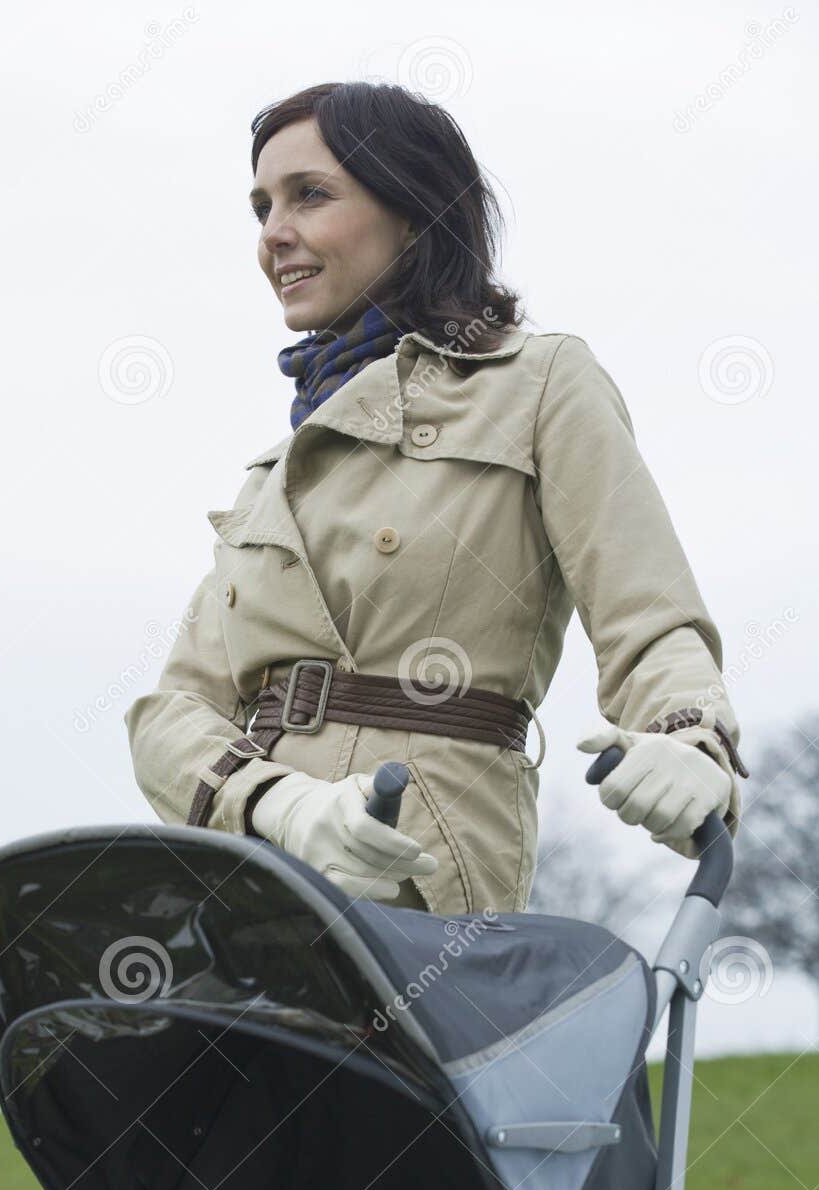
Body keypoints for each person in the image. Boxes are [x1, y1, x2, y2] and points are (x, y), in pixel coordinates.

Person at [125, 80, 748, 915]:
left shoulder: (540, 383)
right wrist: (282, 805)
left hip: (432, 877)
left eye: (309, 195)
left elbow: (649, 616)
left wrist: (692, 743)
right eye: (261, 207)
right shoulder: (270, 476)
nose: (274, 234)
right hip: (253, 884)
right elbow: (173, 711)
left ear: (413, 212)